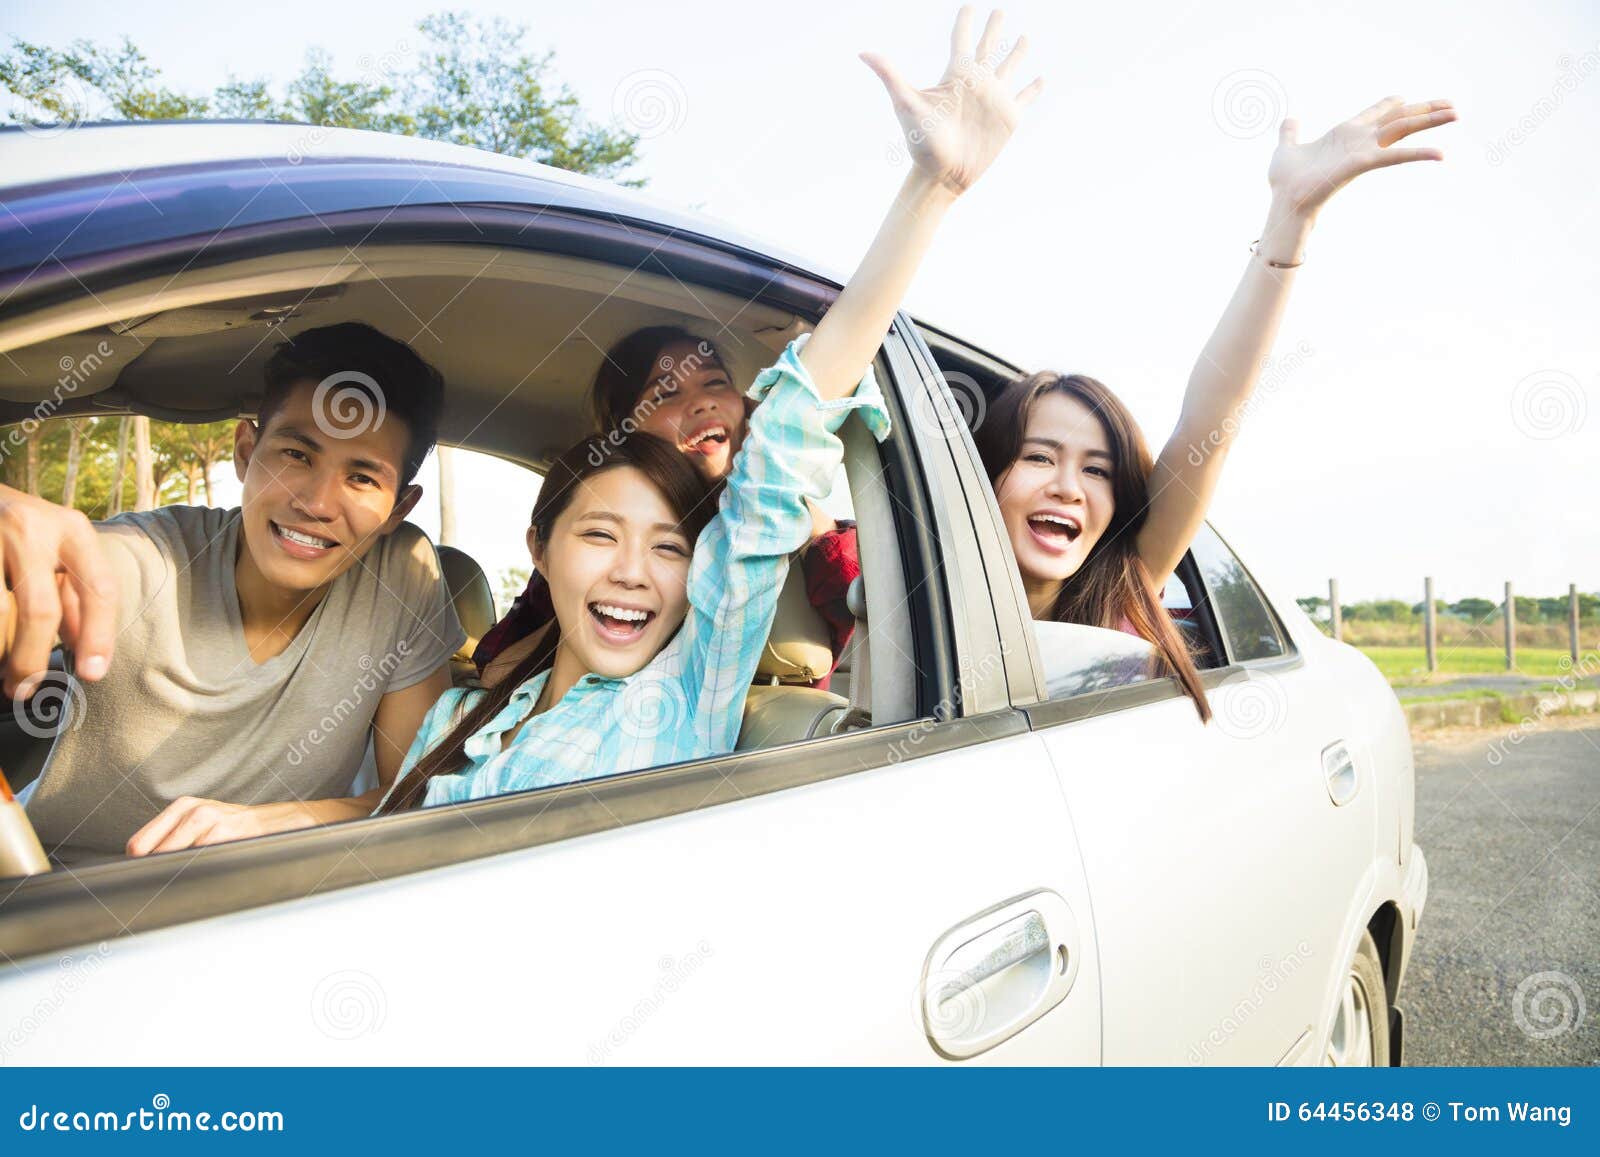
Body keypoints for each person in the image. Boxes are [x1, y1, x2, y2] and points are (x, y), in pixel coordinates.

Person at [376, 6, 1042, 811]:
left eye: (668, 547)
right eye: (598, 534)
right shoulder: (456, 716)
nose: (631, 570)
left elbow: (792, 430)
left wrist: (932, 188)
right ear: (540, 550)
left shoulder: (688, 687)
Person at [971, 94, 1456, 719]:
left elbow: (1212, 417)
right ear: (985, 476)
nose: (1069, 488)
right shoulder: (921, 596)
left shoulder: (1130, 582)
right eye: (1040, 457)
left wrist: (1291, 217)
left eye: (1096, 470)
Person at [3, 322, 463, 859]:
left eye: (362, 478)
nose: (316, 503)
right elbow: (44, 578)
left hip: (255, 907)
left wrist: (279, 822)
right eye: (296, 455)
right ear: (247, 451)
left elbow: (416, 795)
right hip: (53, 896)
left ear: (398, 509)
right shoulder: (147, 558)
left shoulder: (401, 575)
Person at [475, 327, 861, 690]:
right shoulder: (588, 559)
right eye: (663, 396)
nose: (702, 402)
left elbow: (876, 603)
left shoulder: (777, 521)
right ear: (625, 434)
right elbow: (497, 670)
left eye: (715, 383)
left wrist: (798, 508)